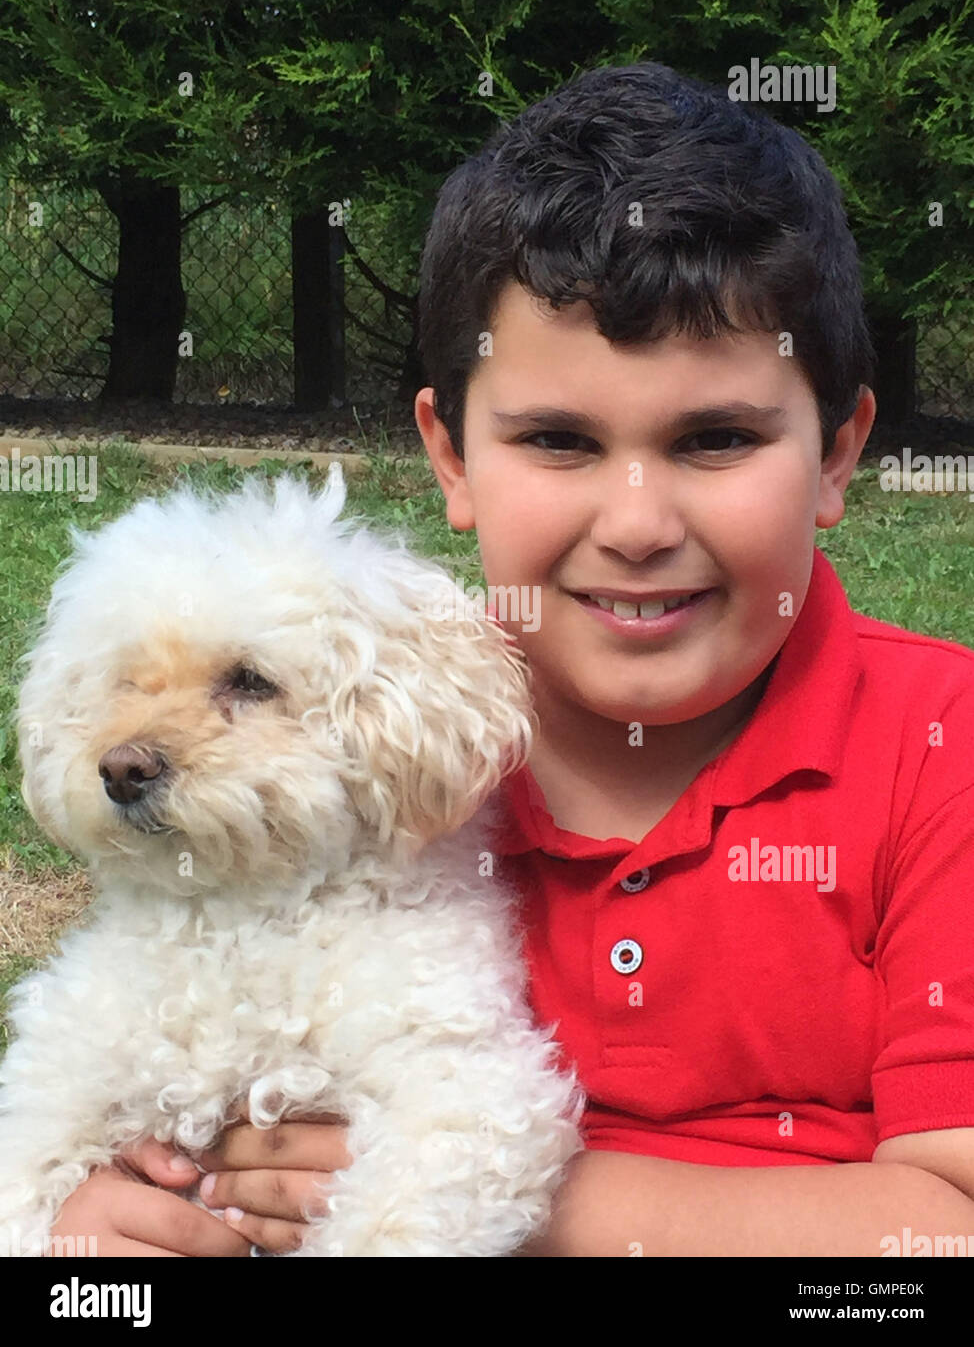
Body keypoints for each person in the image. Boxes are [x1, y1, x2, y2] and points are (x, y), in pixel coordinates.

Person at [50, 61, 974, 1257]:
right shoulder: (346, 748)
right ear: (448, 455)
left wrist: (509, 1204)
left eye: (714, 439)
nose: (636, 523)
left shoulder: (935, 748)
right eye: (556, 439)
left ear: (839, 453)